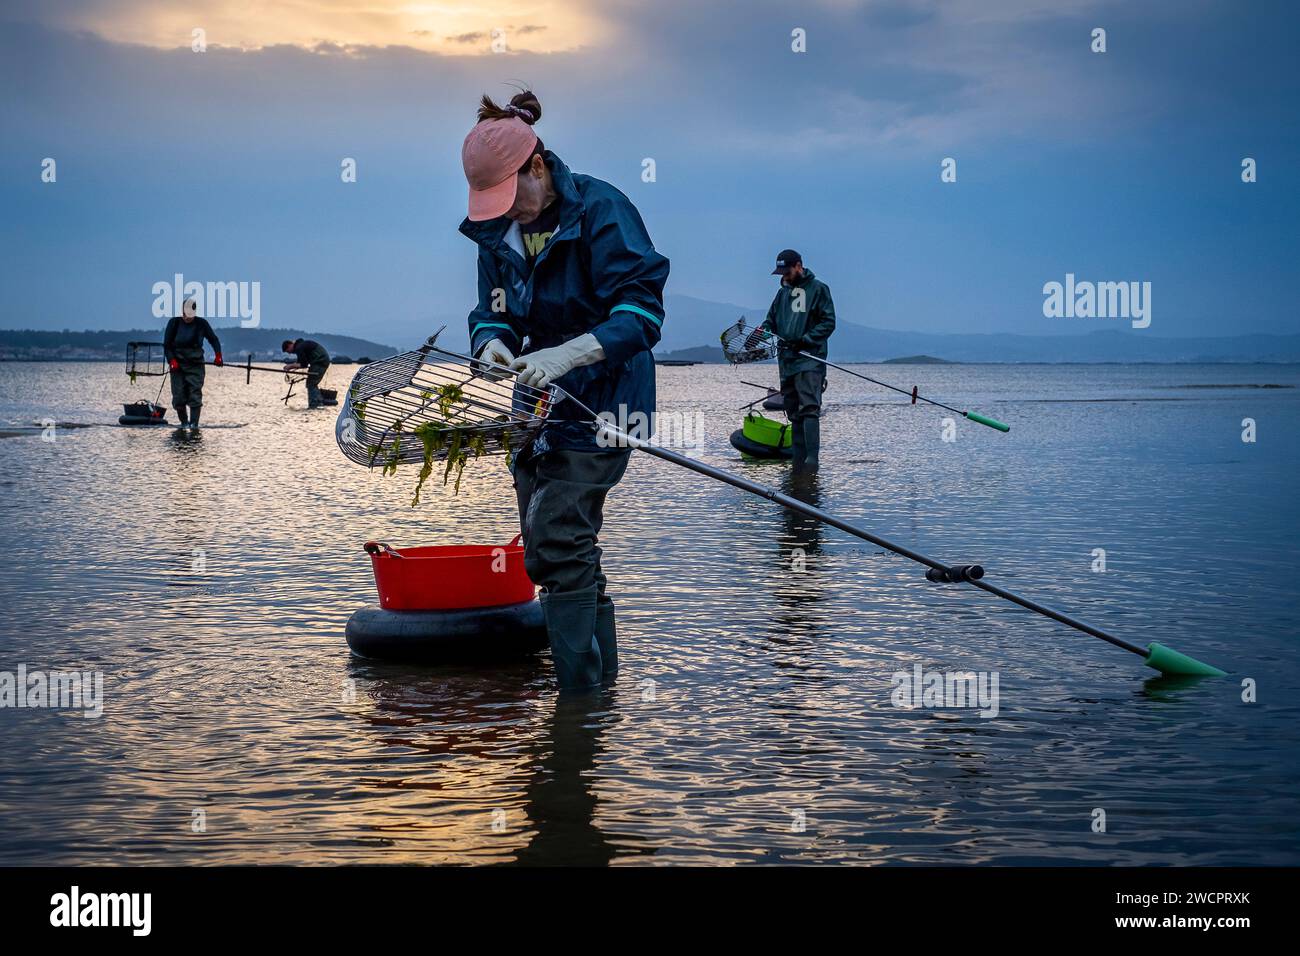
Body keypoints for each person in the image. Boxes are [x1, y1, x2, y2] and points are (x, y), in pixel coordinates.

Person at [459, 89, 669, 692]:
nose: (506, 213)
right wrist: (491, 345)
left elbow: (642, 314)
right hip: (535, 407)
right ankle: (595, 705)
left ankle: (576, 702)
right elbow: (493, 311)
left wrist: (569, 353)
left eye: (511, 196)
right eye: (491, 204)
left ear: (538, 166)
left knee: (555, 538)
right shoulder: (497, 233)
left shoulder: (603, 211)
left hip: (607, 402)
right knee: (555, 543)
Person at [761, 249, 835, 470]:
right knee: (793, 412)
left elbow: (828, 323)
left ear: (799, 266)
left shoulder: (819, 289)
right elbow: (770, 321)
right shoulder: (782, 294)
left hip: (810, 359)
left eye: (787, 271)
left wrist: (806, 340)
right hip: (787, 361)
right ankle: (797, 462)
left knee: (809, 408)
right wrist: (763, 332)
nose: (784, 276)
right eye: (781, 273)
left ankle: (812, 463)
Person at [163, 299, 222, 430]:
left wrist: (218, 355)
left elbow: (214, 339)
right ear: (182, 311)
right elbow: (167, 346)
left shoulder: (202, 323)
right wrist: (171, 360)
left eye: (190, 315)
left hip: (196, 365)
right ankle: (184, 423)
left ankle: (194, 424)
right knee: (178, 396)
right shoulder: (174, 323)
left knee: (195, 395)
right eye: (185, 314)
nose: (187, 317)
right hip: (177, 365)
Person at [282, 338, 331, 408]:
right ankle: (317, 402)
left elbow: (303, 364)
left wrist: (289, 366)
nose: (289, 353)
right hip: (319, 361)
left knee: (311, 383)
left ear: (290, 345)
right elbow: (301, 363)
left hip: (320, 361)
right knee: (311, 383)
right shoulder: (300, 346)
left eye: (288, 351)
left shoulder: (299, 348)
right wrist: (291, 367)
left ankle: (315, 404)